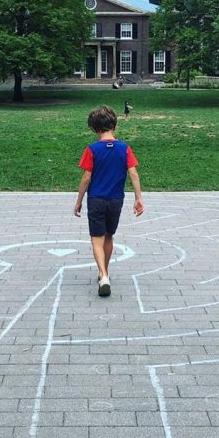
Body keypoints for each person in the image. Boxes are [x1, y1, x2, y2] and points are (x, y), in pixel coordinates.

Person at [74, 105, 144, 297]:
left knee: (96, 238)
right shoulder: (124, 148)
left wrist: (79, 200)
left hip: (96, 199)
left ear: (94, 128)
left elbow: (86, 178)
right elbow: (134, 174)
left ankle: (103, 275)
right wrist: (138, 198)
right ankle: (104, 271)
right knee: (109, 236)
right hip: (116, 200)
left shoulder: (92, 150)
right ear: (114, 125)